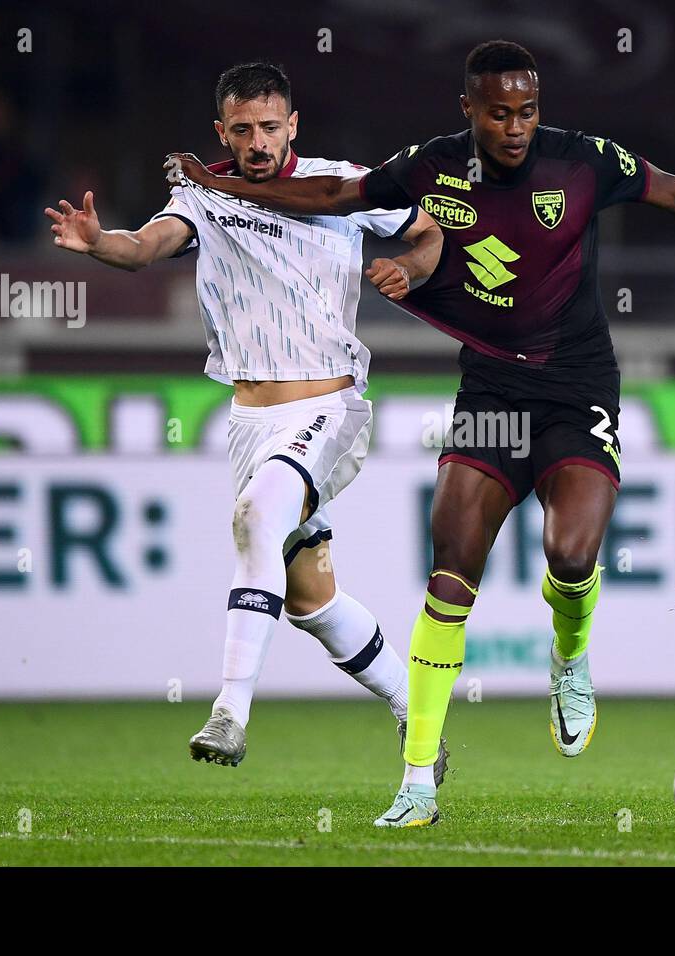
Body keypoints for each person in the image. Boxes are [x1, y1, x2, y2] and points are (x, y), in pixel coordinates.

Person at [168, 40, 675, 828]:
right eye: (498, 113)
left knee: (570, 554)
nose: (515, 127)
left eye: (526, 111)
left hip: (577, 387)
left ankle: (569, 657)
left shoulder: (582, 162)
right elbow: (333, 196)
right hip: (491, 389)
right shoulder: (430, 167)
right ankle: (417, 783)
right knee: (451, 570)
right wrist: (221, 187)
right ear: (469, 111)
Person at [48, 60, 447, 781]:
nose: (257, 141)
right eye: (242, 129)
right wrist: (98, 242)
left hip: (328, 406)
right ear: (221, 131)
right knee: (309, 598)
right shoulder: (201, 194)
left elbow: (430, 230)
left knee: (258, 517)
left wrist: (411, 271)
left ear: (293, 125)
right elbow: (144, 248)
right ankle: (416, 714)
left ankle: (230, 712)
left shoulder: (342, 185)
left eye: (270, 127)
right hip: (248, 419)